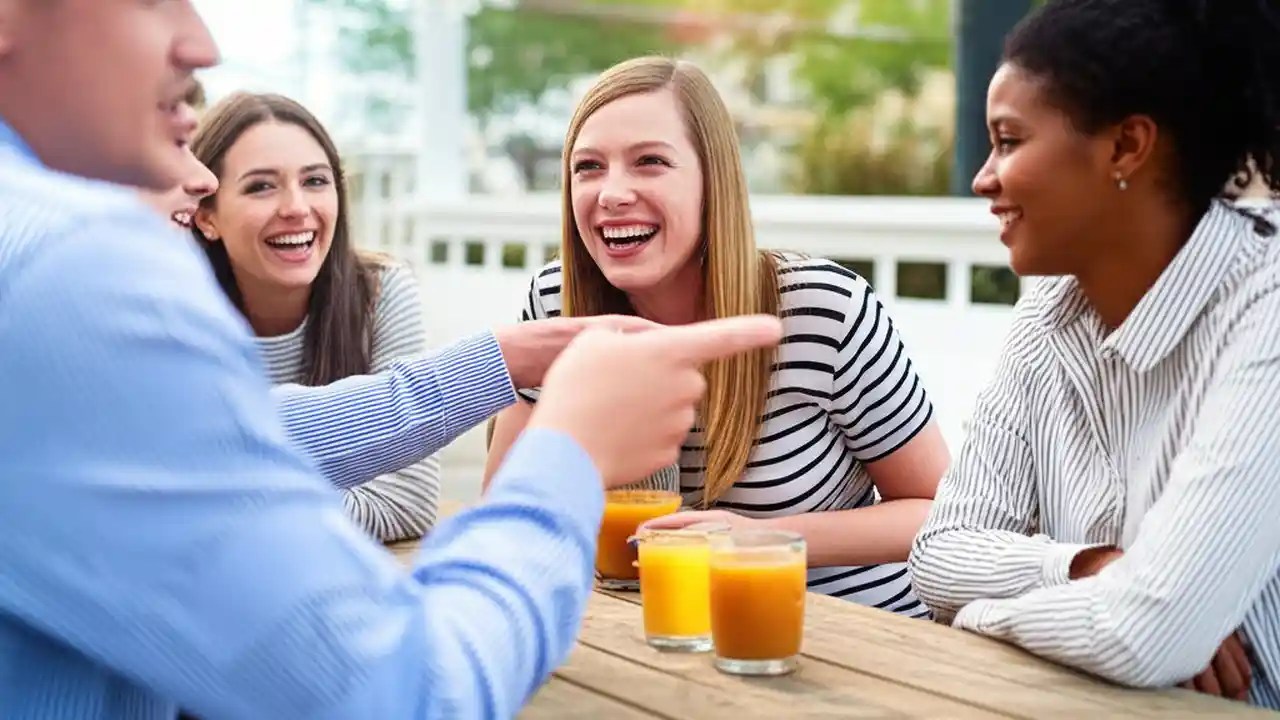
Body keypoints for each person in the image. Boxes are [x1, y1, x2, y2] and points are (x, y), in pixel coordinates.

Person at [0, 3, 783, 720]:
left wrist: (498, 362)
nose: (201, 42)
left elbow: (209, 434)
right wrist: (571, 457)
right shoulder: (74, 267)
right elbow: (402, 692)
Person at [906, 0, 1280, 708]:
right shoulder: (1048, 312)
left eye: (1010, 142)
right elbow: (939, 557)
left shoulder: (1266, 304)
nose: (983, 178)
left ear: (1125, 146)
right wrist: (1089, 567)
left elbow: (1148, 634)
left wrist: (984, 617)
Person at [485, 56, 950, 616]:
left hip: (841, 638)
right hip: (655, 640)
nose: (611, 193)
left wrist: (758, 537)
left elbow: (939, 509)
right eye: (588, 167)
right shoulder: (555, 306)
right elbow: (504, 513)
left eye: (650, 161)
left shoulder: (821, 310)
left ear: (713, 180)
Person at [189, 91, 443, 542]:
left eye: (315, 181)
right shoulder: (173, 309)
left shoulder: (380, 293)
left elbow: (407, 501)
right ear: (207, 216)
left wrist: (245, 495)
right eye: (261, 186)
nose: (296, 208)